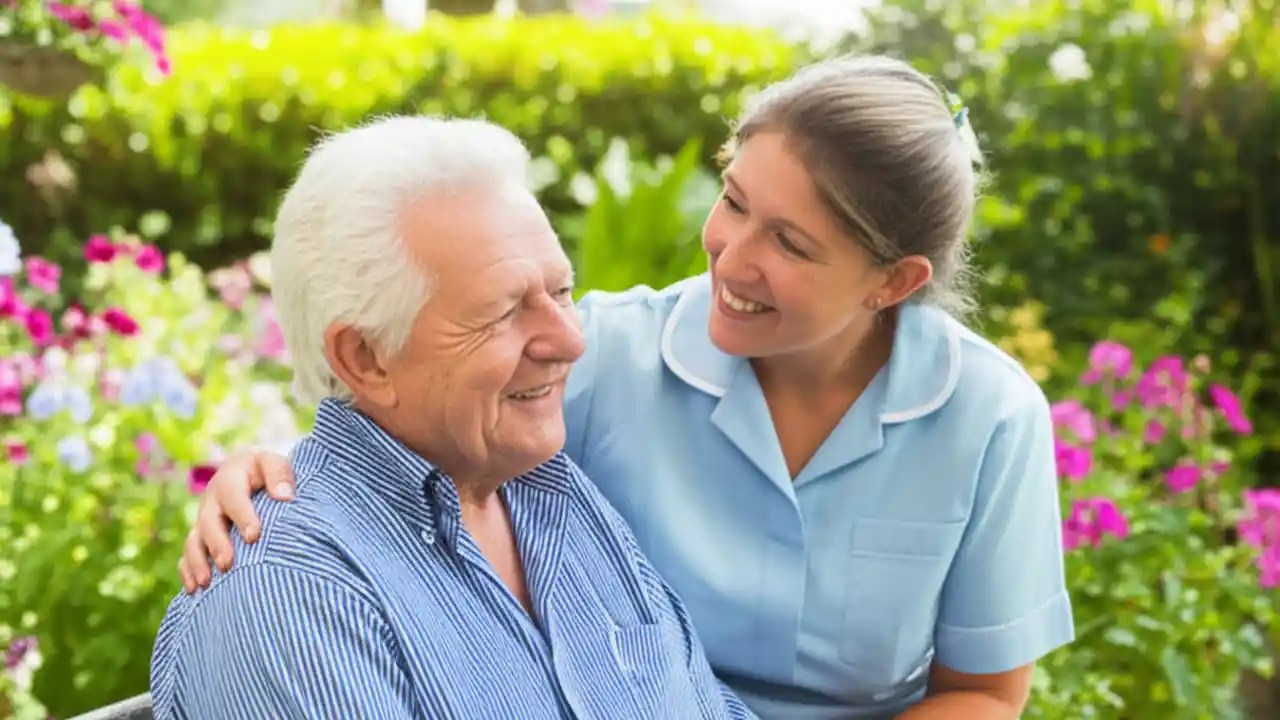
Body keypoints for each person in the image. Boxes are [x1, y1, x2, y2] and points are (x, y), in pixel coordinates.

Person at [177, 55, 1075, 719]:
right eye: (733, 200)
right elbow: (389, 420)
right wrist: (273, 480)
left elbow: (985, 692)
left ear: (893, 283)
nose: (567, 340)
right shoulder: (601, 367)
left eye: (792, 244)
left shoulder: (550, 493)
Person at [149, 116, 754, 720]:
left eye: (561, 293)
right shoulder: (291, 593)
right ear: (365, 358)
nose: (570, 340)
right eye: (503, 312)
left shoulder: (553, 493)